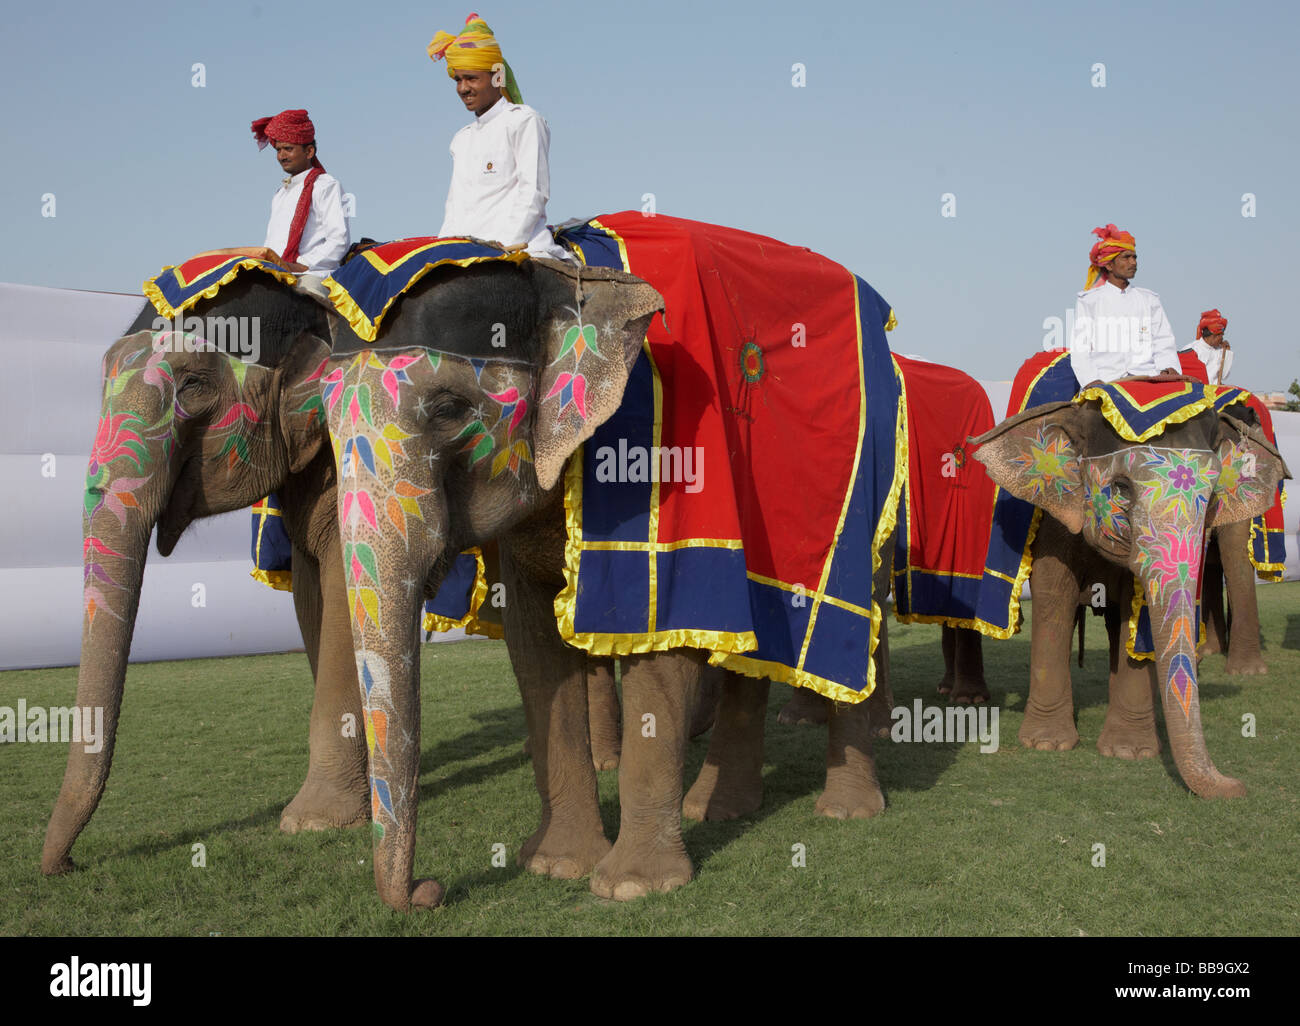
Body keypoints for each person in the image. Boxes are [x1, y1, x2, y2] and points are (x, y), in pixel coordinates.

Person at [427, 14, 573, 261]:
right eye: (458, 79)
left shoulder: (524, 121)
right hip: (467, 258)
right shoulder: (461, 139)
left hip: (519, 254)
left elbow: (534, 193)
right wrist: (441, 253)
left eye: (471, 78)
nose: (463, 88)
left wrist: (501, 250)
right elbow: (455, 208)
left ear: (497, 77)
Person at [1068, 223, 1181, 387]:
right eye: (1126, 258)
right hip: (1106, 382)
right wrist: (1092, 381)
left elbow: (1164, 341)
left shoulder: (1149, 299)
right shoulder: (1089, 301)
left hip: (1148, 379)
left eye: (1134, 257)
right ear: (1109, 265)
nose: (1133, 262)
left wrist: (1167, 367)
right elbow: (1081, 350)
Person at [251, 108, 350, 274]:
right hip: (277, 274)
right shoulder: (280, 193)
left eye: (288, 149)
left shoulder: (326, 185)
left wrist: (301, 264)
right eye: (278, 150)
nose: (281, 156)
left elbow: (338, 241)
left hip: (313, 274)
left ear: (309, 151)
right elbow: (271, 245)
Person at [1182, 308, 1233, 384]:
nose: (1222, 338)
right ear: (1211, 335)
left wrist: (1227, 352)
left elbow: (1224, 376)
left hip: (1214, 392)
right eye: (1219, 335)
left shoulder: (1220, 350)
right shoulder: (1192, 349)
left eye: (1222, 335)